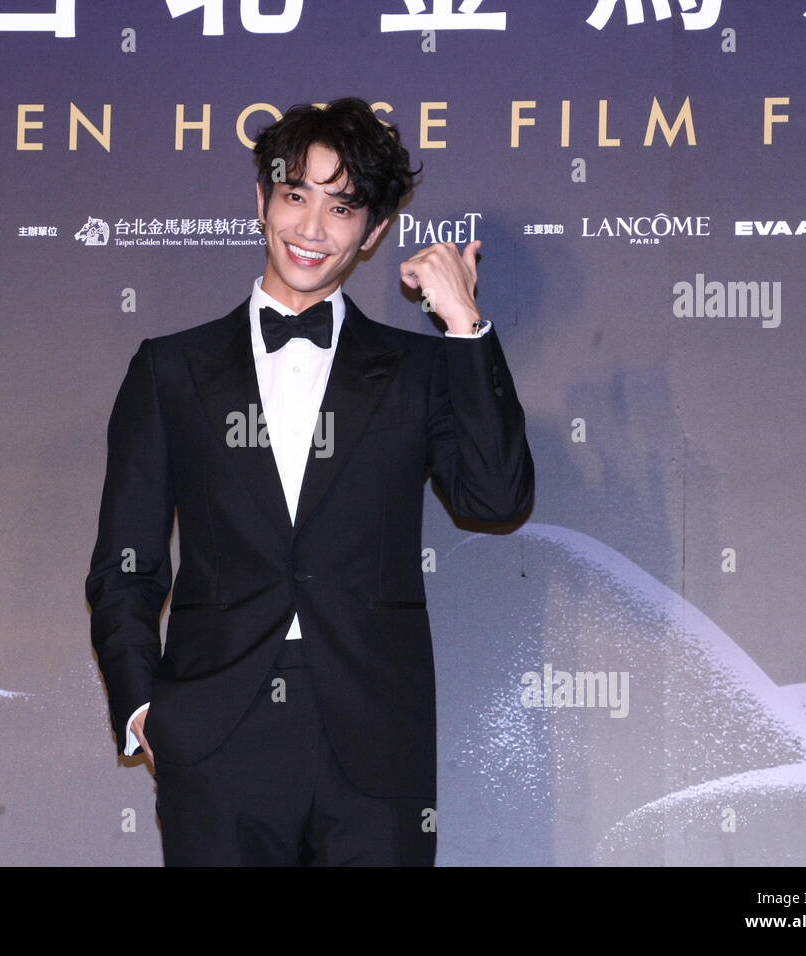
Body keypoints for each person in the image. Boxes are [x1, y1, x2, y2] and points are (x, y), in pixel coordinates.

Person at [85, 96, 534, 865]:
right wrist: (145, 712)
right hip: (215, 729)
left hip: (372, 734)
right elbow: (125, 563)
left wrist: (465, 326)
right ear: (260, 201)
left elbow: (495, 498)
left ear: (375, 230)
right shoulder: (170, 369)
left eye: (342, 206)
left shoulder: (419, 371)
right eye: (295, 196)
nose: (312, 229)